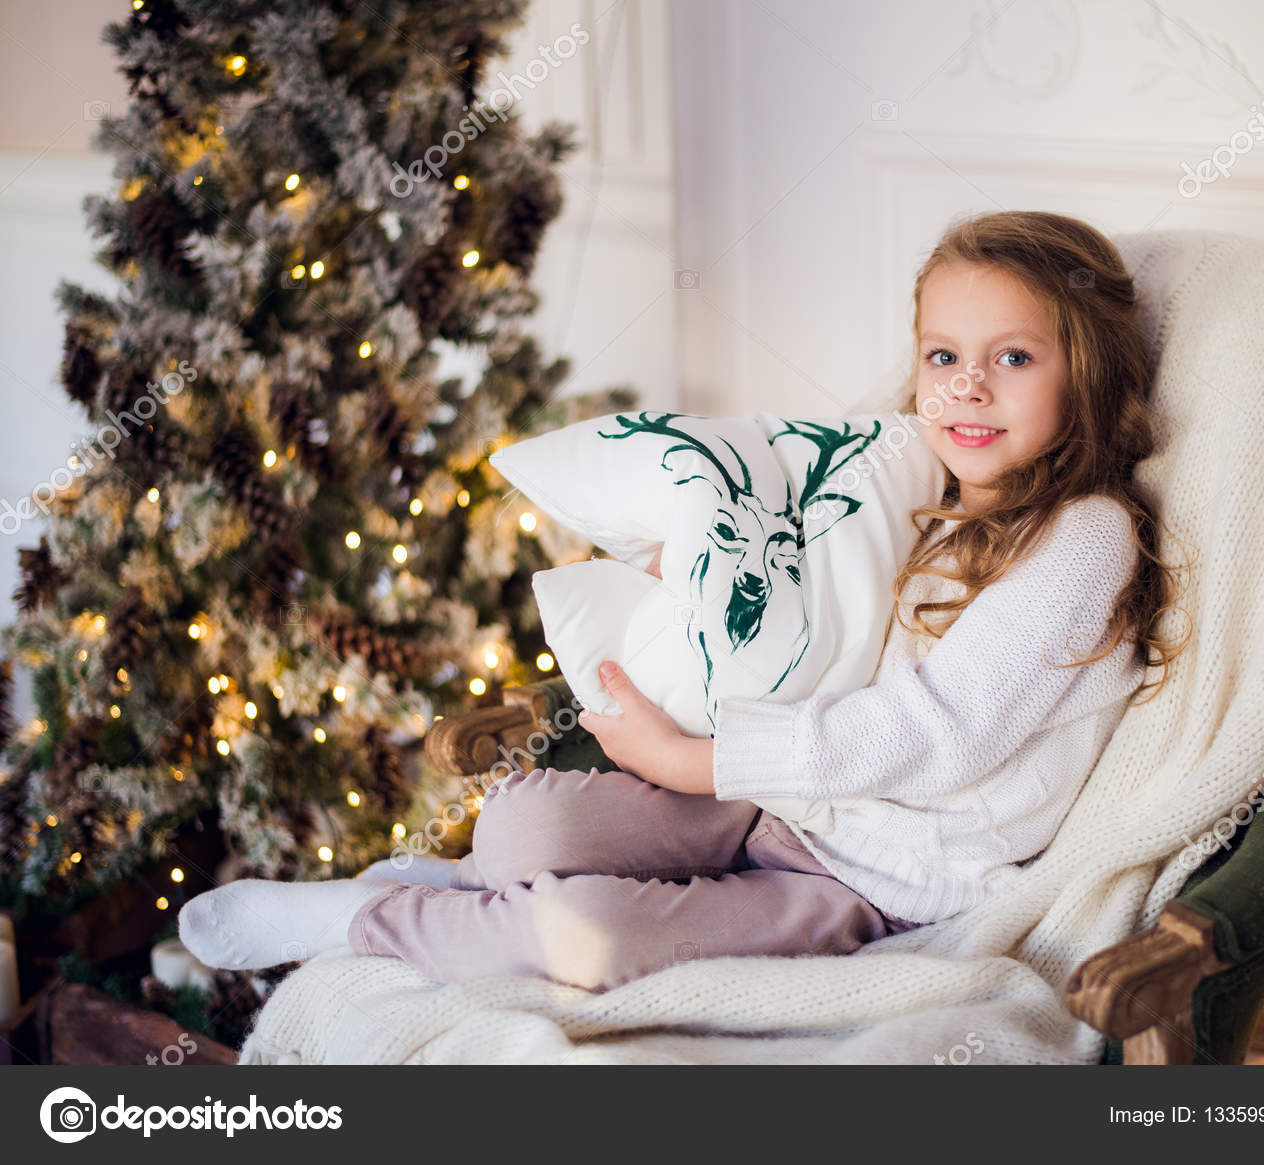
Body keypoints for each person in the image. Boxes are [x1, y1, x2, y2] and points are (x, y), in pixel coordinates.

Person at [178, 210, 1187, 990]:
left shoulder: (1082, 535)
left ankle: (363, 925)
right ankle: (445, 887)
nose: (965, 388)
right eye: (942, 356)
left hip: (878, 886)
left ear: (1085, 373)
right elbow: (806, 572)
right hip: (781, 807)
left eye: (1011, 358)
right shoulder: (918, 484)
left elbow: (943, 732)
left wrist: (692, 761)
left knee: (592, 934)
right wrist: (700, 566)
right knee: (524, 829)